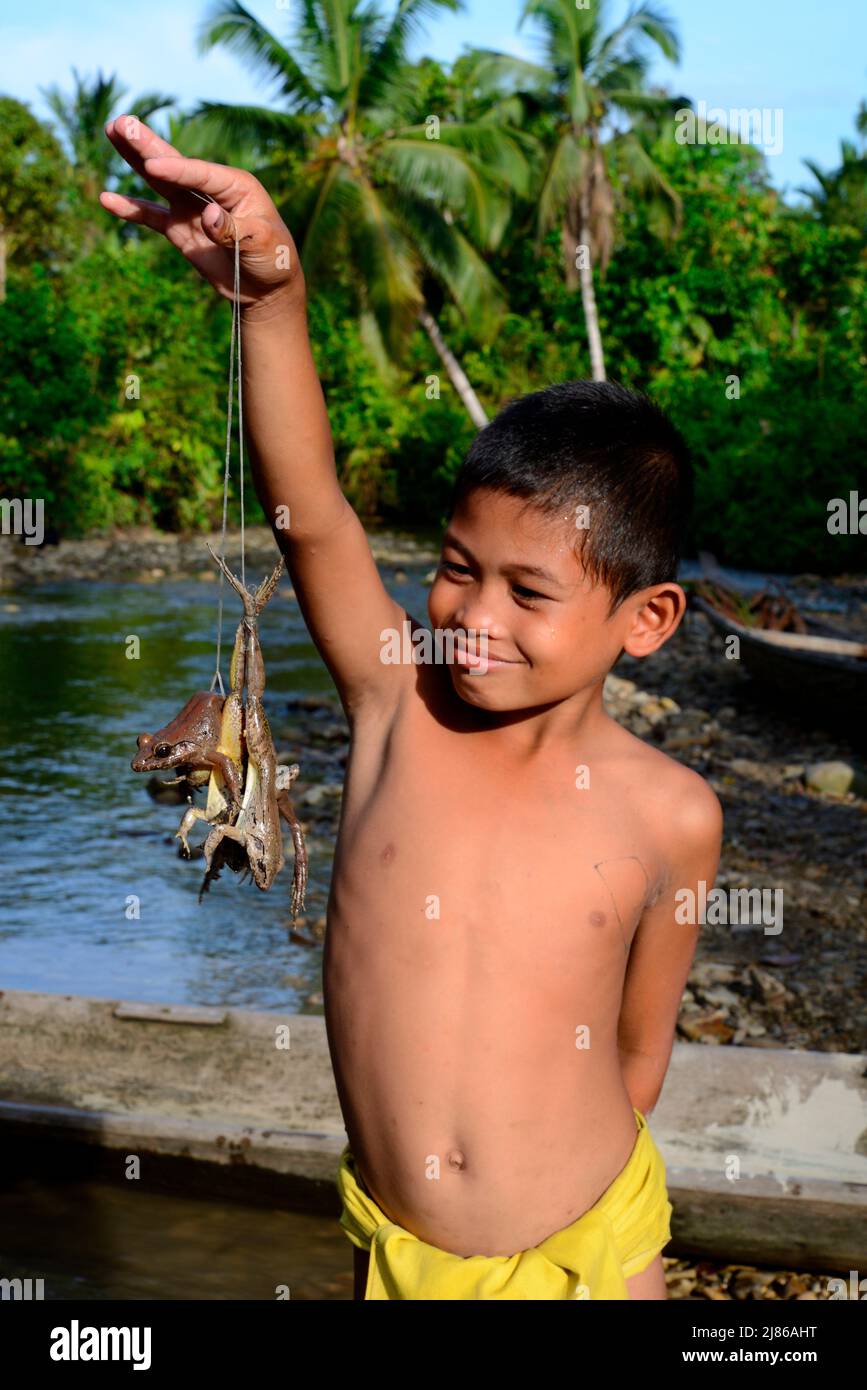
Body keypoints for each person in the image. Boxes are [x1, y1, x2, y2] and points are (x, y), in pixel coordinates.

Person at [101, 116, 723, 1302]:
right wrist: (268, 299)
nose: (472, 610)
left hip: (587, 1261)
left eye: (528, 589)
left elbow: (640, 1056)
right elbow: (317, 512)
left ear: (645, 622)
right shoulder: (396, 694)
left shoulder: (675, 815)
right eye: (456, 562)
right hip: (399, 1255)